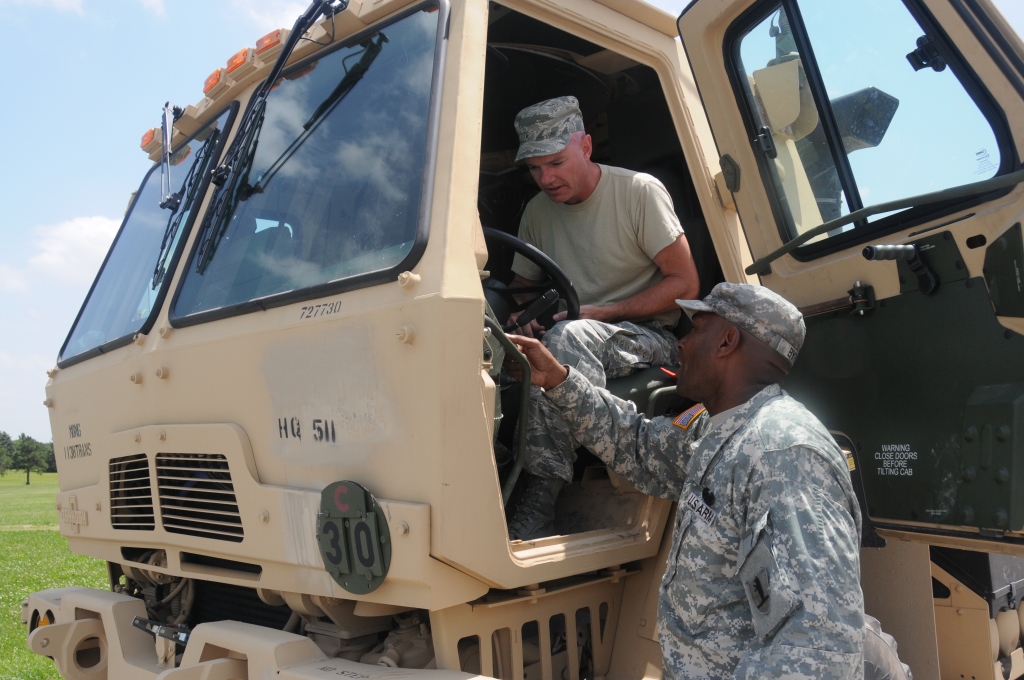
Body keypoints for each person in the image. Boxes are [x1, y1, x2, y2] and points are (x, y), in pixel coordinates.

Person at [508, 282, 864, 680]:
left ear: (727, 341)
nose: (681, 343)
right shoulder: (714, 430)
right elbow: (638, 444)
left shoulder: (783, 454)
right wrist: (558, 379)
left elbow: (819, 646)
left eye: (697, 329)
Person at [506, 95, 700, 540]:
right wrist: (521, 318)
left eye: (556, 163)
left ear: (587, 147)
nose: (546, 179)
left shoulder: (638, 192)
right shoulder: (537, 211)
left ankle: (539, 496)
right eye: (535, 169)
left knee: (570, 338)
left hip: (650, 336)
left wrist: (605, 311)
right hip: (573, 330)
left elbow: (685, 284)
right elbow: (522, 289)